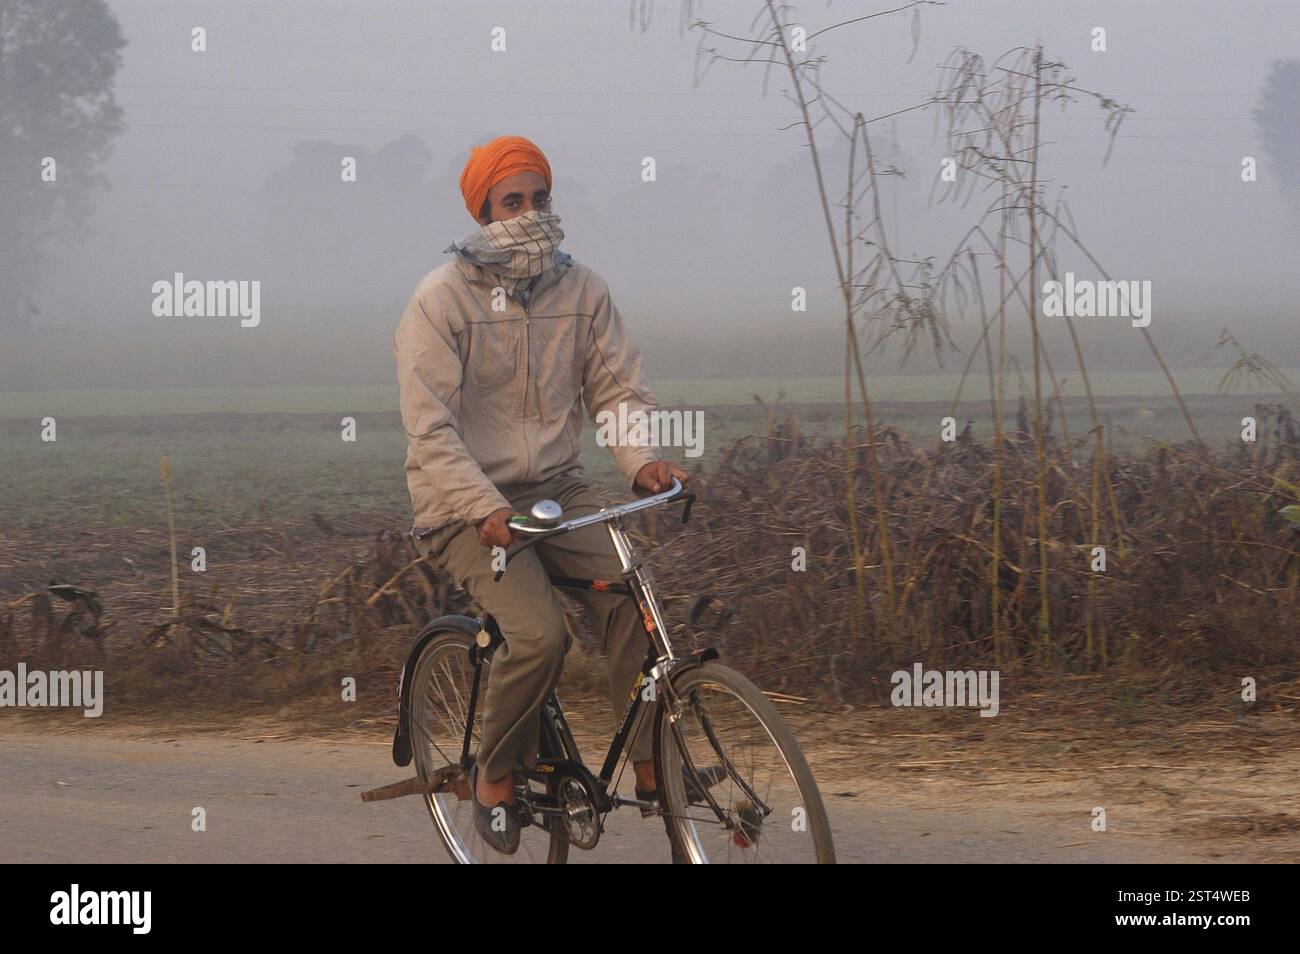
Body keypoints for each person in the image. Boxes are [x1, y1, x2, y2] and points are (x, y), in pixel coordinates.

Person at [395, 135, 691, 855]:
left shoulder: (583, 289)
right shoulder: (440, 302)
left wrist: (643, 461)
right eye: (512, 201)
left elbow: (616, 389)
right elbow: (430, 430)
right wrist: (482, 507)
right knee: (539, 636)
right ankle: (494, 777)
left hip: (558, 489)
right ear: (484, 211)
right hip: (463, 504)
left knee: (631, 601)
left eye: (540, 198)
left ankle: (652, 763)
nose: (530, 213)